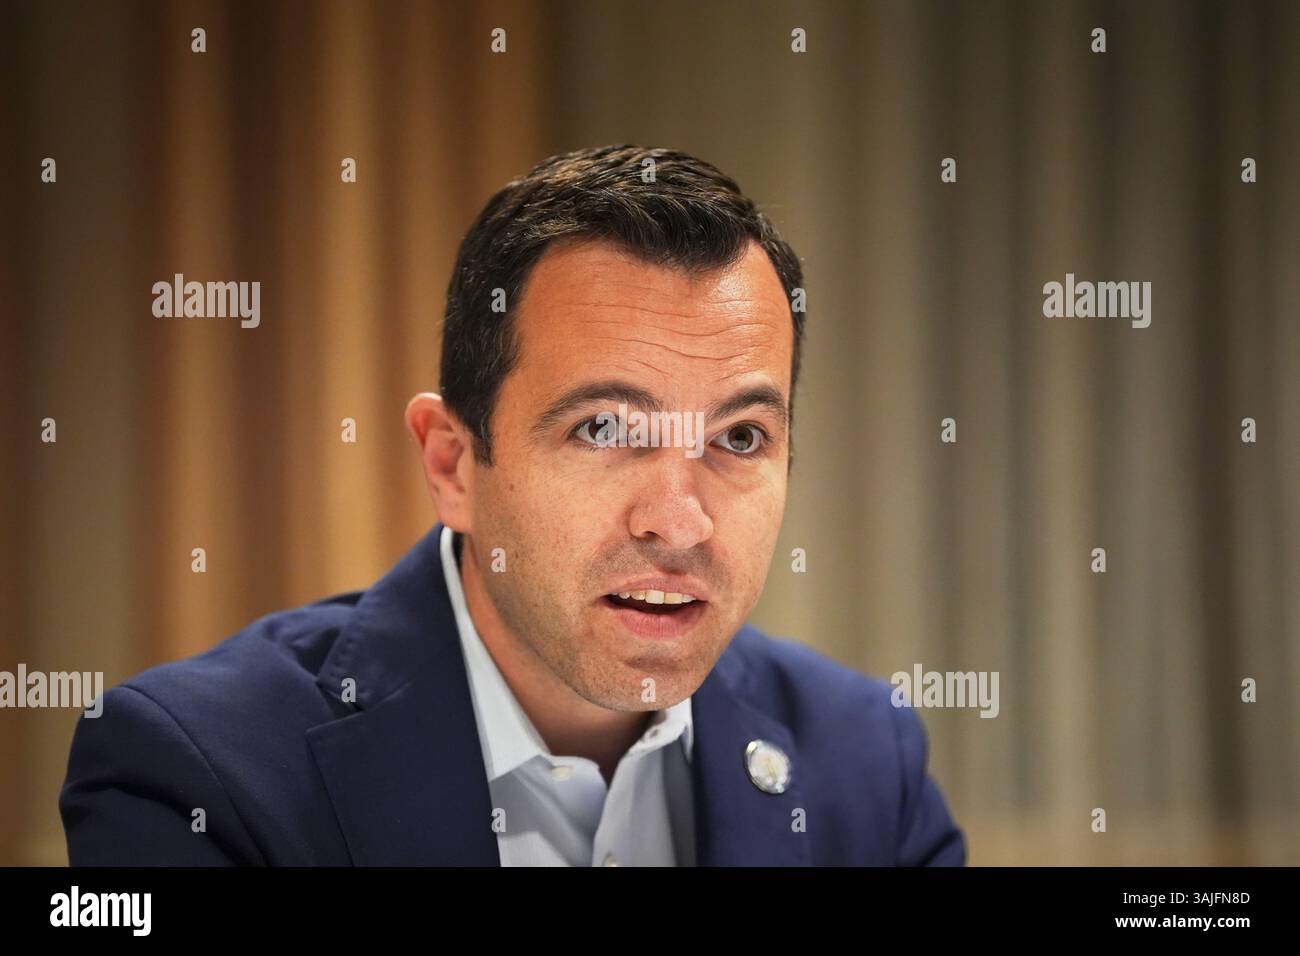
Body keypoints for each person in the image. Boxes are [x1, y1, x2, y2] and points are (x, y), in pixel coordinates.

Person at [59, 144, 966, 866]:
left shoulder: (864, 762)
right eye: (605, 431)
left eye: (737, 439)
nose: (681, 522)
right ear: (453, 464)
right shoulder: (197, 776)